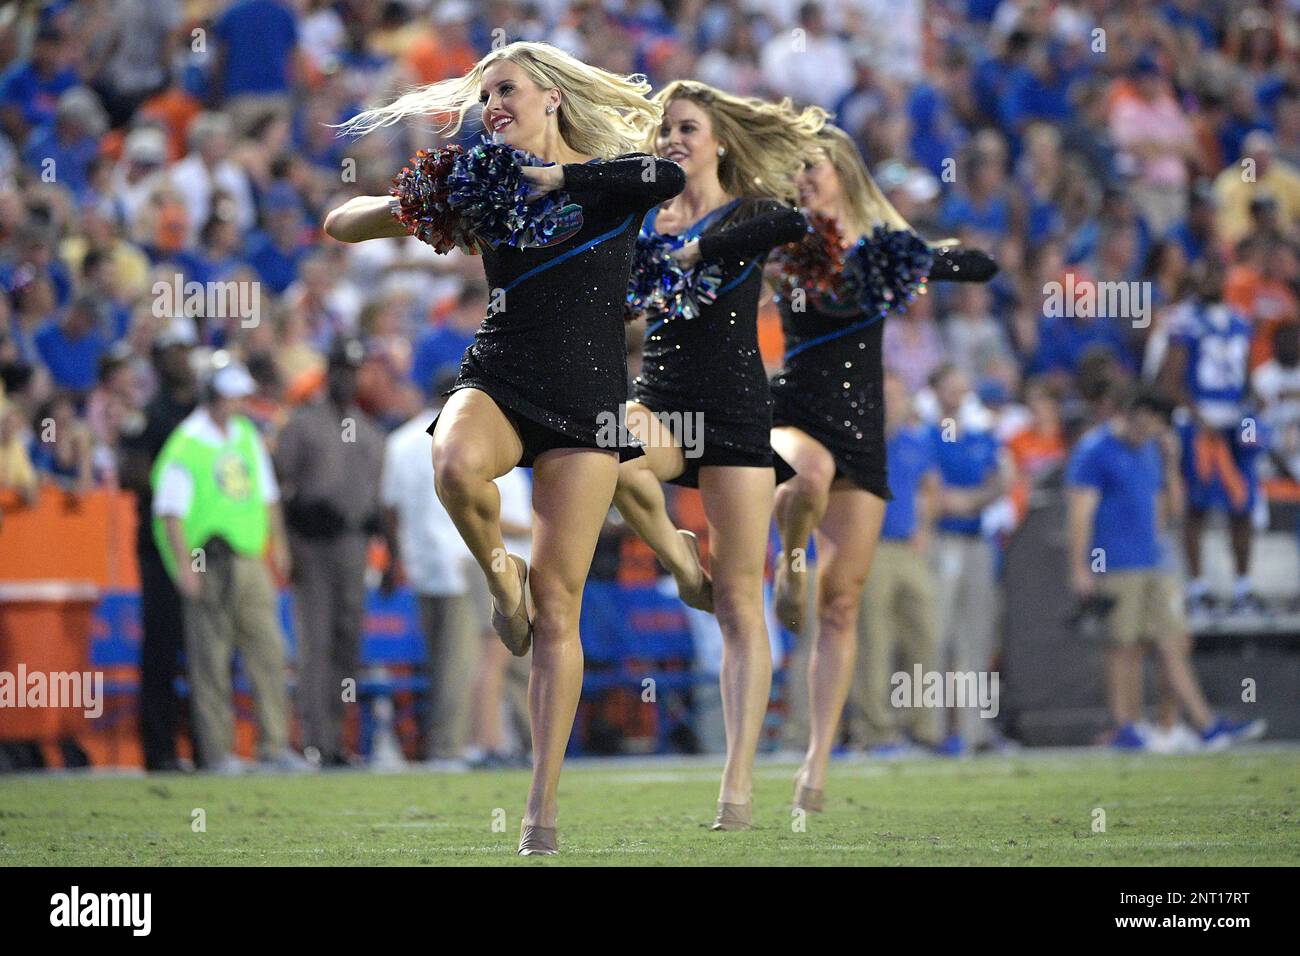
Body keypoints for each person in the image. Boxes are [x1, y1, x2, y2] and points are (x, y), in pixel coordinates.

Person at [324, 41, 684, 855]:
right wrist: (409, 202)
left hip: (589, 404)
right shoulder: (480, 186)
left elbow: (666, 177)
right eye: (485, 96)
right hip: (501, 376)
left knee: (560, 610)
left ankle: (540, 813)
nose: (493, 106)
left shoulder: (610, 178)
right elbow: (339, 225)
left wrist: (561, 180)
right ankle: (497, 572)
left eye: (507, 90)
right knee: (451, 461)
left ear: (552, 97)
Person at [768, 125, 997, 809]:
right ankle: (791, 557)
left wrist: (919, 254)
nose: (805, 177)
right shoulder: (779, 240)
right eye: (796, 168)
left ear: (843, 174)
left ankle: (816, 761)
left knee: (842, 606)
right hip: (796, 410)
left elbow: (980, 266)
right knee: (805, 479)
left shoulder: (880, 248)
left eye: (816, 167)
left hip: (863, 428)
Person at [617, 79, 822, 830]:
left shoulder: (751, 211)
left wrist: (697, 245)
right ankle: (680, 562)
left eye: (687, 128)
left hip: (736, 410)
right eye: (665, 129)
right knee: (608, 454)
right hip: (664, 401)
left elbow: (793, 222)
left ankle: (735, 787)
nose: (673, 138)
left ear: (720, 140)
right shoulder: (644, 216)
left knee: (741, 602)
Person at [1066, 383, 1266, 751]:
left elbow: (1172, 510)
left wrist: (1173, 463)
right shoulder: (1095, 450)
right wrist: (1081, 566)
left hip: (1156, 559)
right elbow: (1081, 512)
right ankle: (1128, 727)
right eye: (1145, 423)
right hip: (1115, 561)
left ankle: (1184, 725)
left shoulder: (1154, 451)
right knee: (1124, 647)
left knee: (1174, 642)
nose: (1148, 432)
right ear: (1127, 413)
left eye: (1156, 426)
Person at [151, 351, 306, 774]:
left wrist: (279, 547)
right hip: (209, 558)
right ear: (213, 396)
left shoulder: (245, 436)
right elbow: (170, 514)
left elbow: (268, 496)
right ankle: (218, 752)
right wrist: (184, 566)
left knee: (269, 651)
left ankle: (274, 746)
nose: (238, 404)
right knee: (210, 659)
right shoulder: (187, 443)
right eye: (231, 396)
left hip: (248, 557)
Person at [273, 337, 384, 768]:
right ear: (328, 372)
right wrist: (298, 512)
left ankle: (337, 738)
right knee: (314, 644)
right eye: (340, 370)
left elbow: (376, 500)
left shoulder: (370, 431)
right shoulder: (302, 425)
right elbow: (279, 487)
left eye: (353, 371)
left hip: (354, 545)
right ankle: (315, 739)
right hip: (312, 545)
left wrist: (386, 548)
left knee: (347, 644)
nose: (346, 379)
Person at [1158, 262, 1265, 617]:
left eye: (1219, 274)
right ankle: (1198, 587)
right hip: (1199, 421)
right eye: (1208, 274)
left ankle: (1242, 586)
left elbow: (1246, 376)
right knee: (1198, 506)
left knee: (1242, 504)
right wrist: (1198, 414)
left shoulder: (1239, 319)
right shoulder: (1183, 320)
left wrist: (1251, 404)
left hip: (1234, 420)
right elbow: (1170, 381)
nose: (1214, 280)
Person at [117, 316, 198, 772]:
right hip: (160, 544)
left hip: (204, 542)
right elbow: (133, 474)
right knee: (163, 647)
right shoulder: (149, 415)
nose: (181, 360)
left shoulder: (202, 412)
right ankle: (160, 750)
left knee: (207, 652)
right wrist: (174, 487)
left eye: (185, 350)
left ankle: (207, 748)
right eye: (172, 351)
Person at [850, 371, 942, 753]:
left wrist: (925, 529)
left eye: (899, 397)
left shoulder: (917, 442)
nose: (894, 405)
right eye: (886, 397)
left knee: (926, 636)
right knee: (875, 640)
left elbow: (930, 486)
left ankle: (924, 726)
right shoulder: (856, 443)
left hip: (909, 548)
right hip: (870, 550)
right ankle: (876, 730)